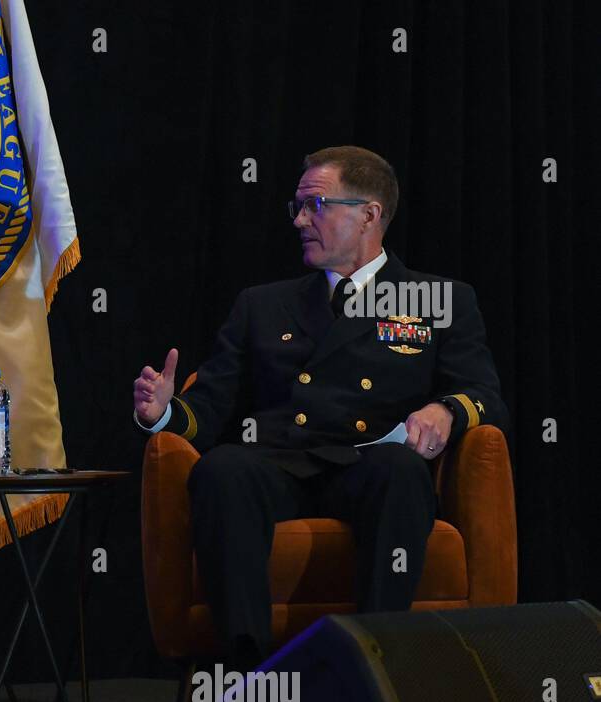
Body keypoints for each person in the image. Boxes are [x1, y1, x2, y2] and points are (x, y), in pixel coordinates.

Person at [133, 146, 508, 669]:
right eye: (297, 207)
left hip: (371, 463)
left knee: (401, 471)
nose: (300, 221)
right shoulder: (262, 304)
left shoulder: (436, 297)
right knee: (223, 468)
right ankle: (248, 667)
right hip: (280, 463)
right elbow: (208, 406)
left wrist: (446, 409)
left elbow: (484, 394)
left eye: (315, 205)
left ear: (369, 214)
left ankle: (378, 666)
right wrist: (163, 414)